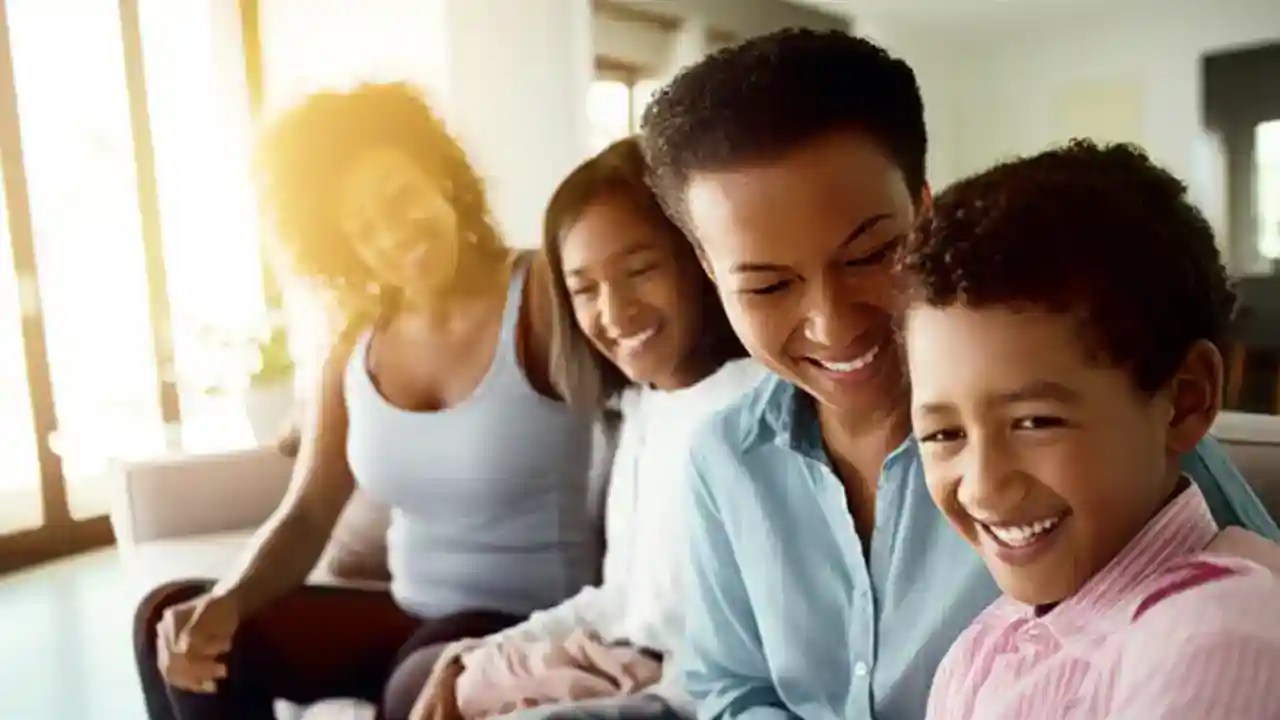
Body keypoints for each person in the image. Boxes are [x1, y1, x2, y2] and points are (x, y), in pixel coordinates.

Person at [638, 29, 1280, 719]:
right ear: (712, 273)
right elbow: (730, 689)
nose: (831, 322)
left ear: (926, 214)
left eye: (871, 255)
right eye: (767, 287)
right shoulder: (726, 459)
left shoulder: (1119, 433)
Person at [133, 82, 602, 720]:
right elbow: (307, 514)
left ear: (441, 176)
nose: (393, 234)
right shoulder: (354, 342)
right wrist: (230, 598)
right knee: (175, 622)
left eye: (400, 197)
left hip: (528, 625)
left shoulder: (543, 292)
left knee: (425, 676)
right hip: (407, 622)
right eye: (363, 228)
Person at [904, 141, 1280, 719]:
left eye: (1035, 422)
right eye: (943, 434)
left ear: (1184, 401)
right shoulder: (982, 648)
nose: (981, 487)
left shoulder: (1215, 633)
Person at [409, 138, 762, 720]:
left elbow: (733, 662)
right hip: (628, 662)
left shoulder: (750, 407)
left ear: (698, 261)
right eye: (585, 289)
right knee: (439, 676)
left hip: (689, 692)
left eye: (641, 270)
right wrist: (478, 655)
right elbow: (623, 599)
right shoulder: (645, 409)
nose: (615, 312)